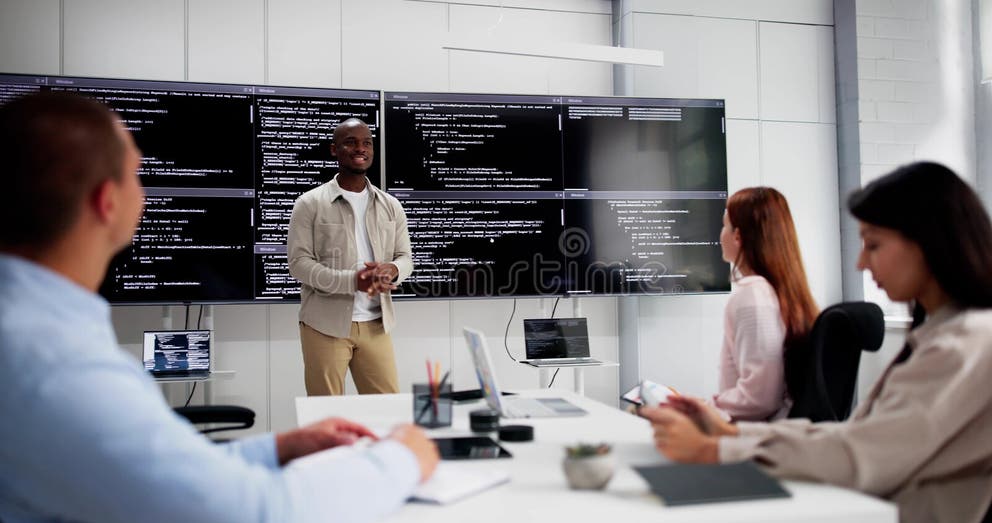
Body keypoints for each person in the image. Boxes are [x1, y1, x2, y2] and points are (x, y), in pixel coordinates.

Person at [0, 92, 438, 523]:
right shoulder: (60, 368)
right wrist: (403, 458)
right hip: (326, 322)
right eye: (136, 172)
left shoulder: (41, 334)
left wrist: (275, 447)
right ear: (107, 201)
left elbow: (166, 470)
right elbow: (250, 509)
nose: (147, 190)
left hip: (376, 320)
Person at [643, 162, 992, 523]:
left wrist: (715, 450)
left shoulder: (962, 346)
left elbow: (861, 454)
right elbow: (858, 437)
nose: (859, 262)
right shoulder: (945, 335)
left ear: (930, 242)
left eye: (873, 244)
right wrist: (731, 433)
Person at [287, 118, 412, 396]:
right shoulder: (309, 203)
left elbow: (405, 257)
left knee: (388, 409)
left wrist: (391, 270)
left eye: (367, 143)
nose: (361, 149)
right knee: (327, 414)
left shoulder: (390, 205)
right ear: (334, 149)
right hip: (324, 326)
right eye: (351, 142)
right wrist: (352, 281)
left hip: (377, 324)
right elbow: (299, 264)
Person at [713, 187, 818, 421]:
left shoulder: (752, 298)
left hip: (755, 440)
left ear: (738, 236)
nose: (721, 235)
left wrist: (706, 409)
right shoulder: (781, 292)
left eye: (724, 225)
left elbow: (760, 400)